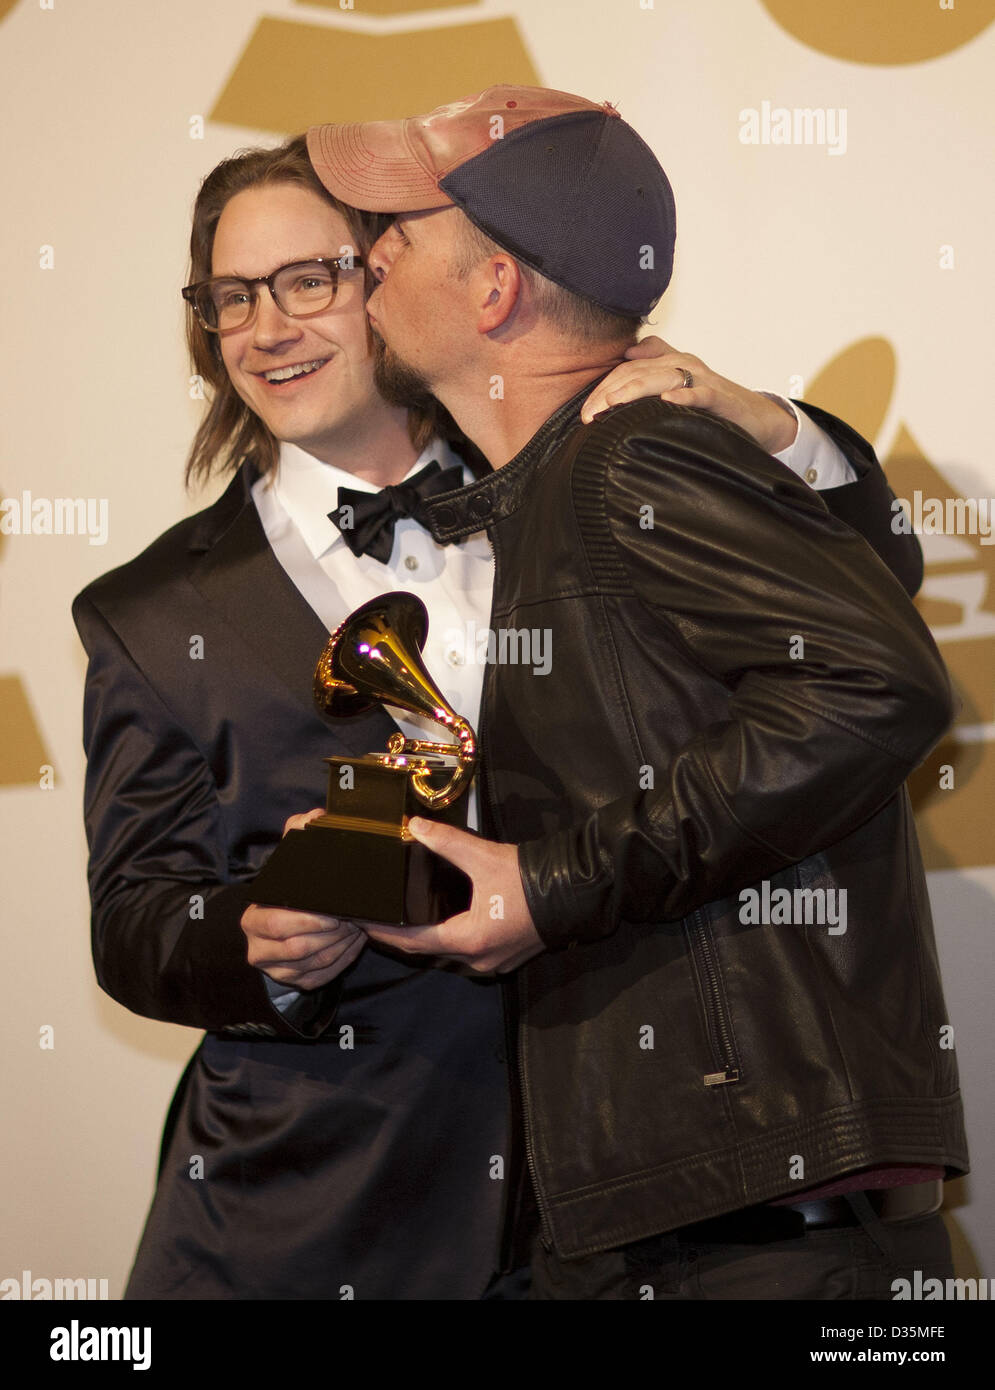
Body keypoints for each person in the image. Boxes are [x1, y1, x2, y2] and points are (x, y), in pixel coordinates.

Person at [74, 132, 923, 1301]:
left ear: (391, 280)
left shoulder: (575, 472)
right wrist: (249, 944)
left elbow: (863, 616)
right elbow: (133, 915)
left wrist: (767, 424)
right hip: (313, 1204)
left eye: (309, 278)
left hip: (616, 1195)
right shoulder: (150, 612)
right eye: (230, 297)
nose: (268, 328)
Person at [307, 85, 968, 1299]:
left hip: (752, 1236)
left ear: (495, 287)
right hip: (691, 1220)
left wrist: (549, 884)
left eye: (392, 231)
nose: (368, 259)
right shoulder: (566, 487)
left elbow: (871, 684)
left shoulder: (630, 458)